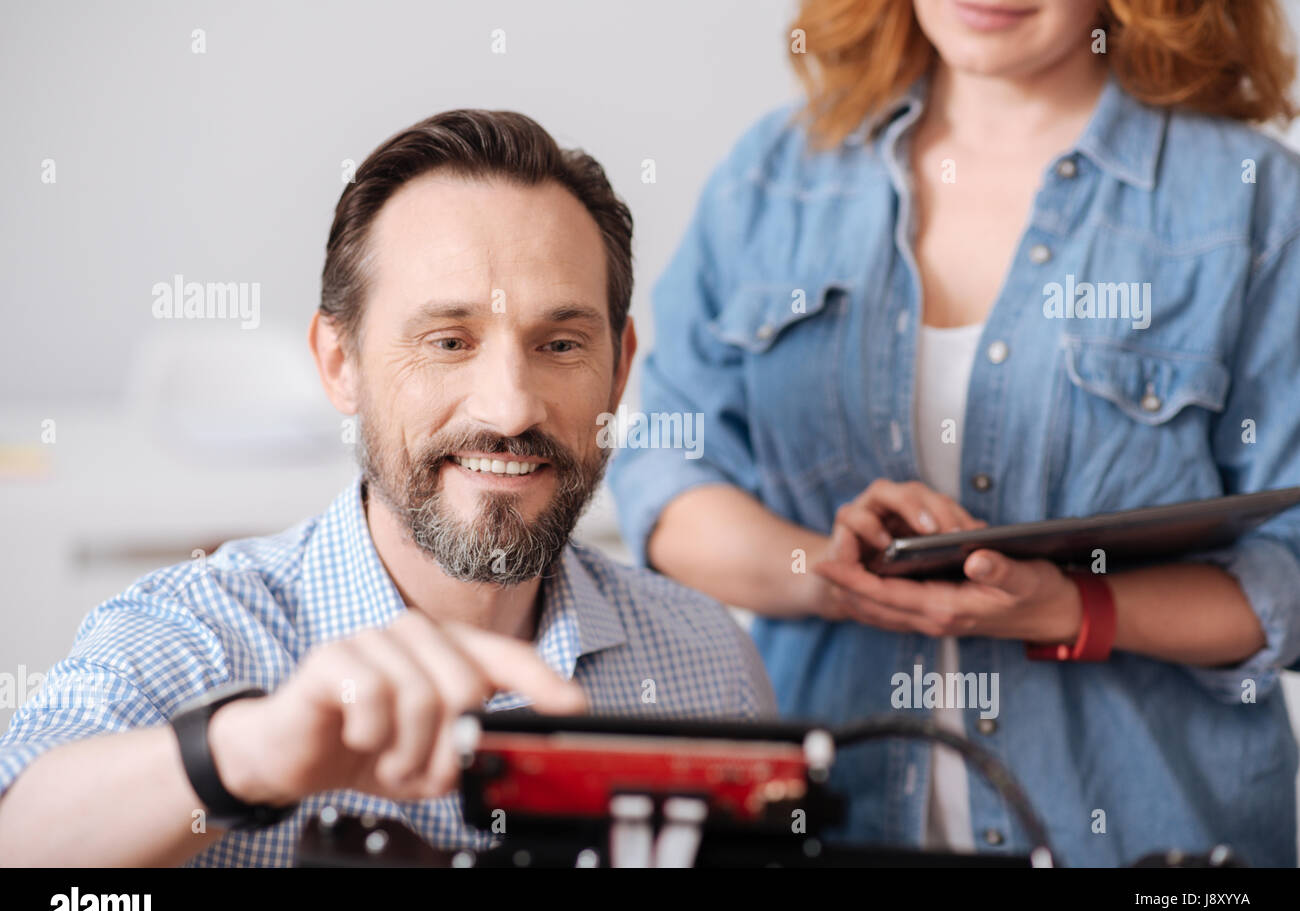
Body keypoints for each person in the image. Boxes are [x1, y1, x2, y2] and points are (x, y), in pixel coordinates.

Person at [609, 0, 1300, 865]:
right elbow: (667, 481)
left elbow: (1289, 568)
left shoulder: (1254, 202)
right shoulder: (773, 178)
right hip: (822, 829)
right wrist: (839, 576)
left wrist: (1070, 607)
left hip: (1148, 849)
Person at [0, 109, 775, 867]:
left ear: (619, 368)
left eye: (561, 344)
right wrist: (244, 757)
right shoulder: (190, 639)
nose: (510, 408)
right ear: (340, 364)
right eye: (449, 341)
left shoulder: (709, 663)